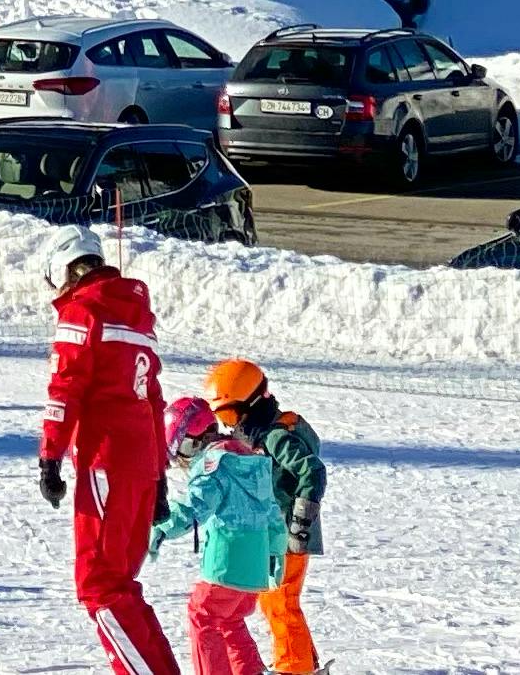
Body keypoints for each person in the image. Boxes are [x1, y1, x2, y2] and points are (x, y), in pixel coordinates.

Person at [37, 232, 184, 675]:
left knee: (99, 584)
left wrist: (51, 455)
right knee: (121, 583)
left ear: (64, 269)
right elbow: (152, 399)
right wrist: (157, 476)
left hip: (106, 460)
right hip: (139, 461)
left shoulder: (83, 310)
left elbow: (65, 387)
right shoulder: (137, 316)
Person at [153, 392, 286, 675]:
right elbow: (274, 514)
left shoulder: (214, 463)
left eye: (182, 452)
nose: (183, 461)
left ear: (192, 440)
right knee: (230, 620)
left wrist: (160, 526)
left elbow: (196, 506)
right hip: (256, 563)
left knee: (202, 615)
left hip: (228, 559)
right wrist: (275, 555)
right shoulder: (252, 459)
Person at [208, 360, 326, 672]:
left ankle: (294, 667)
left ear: (251, 403)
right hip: (276, 533)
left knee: (280, 602)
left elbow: (312, 469)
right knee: (274, 600)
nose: (229, 424)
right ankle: (304, 660)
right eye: (222, 417)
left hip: (290, 534)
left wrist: (301, 521)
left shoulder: (276, 437)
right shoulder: (265, 432)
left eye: (230, 415)